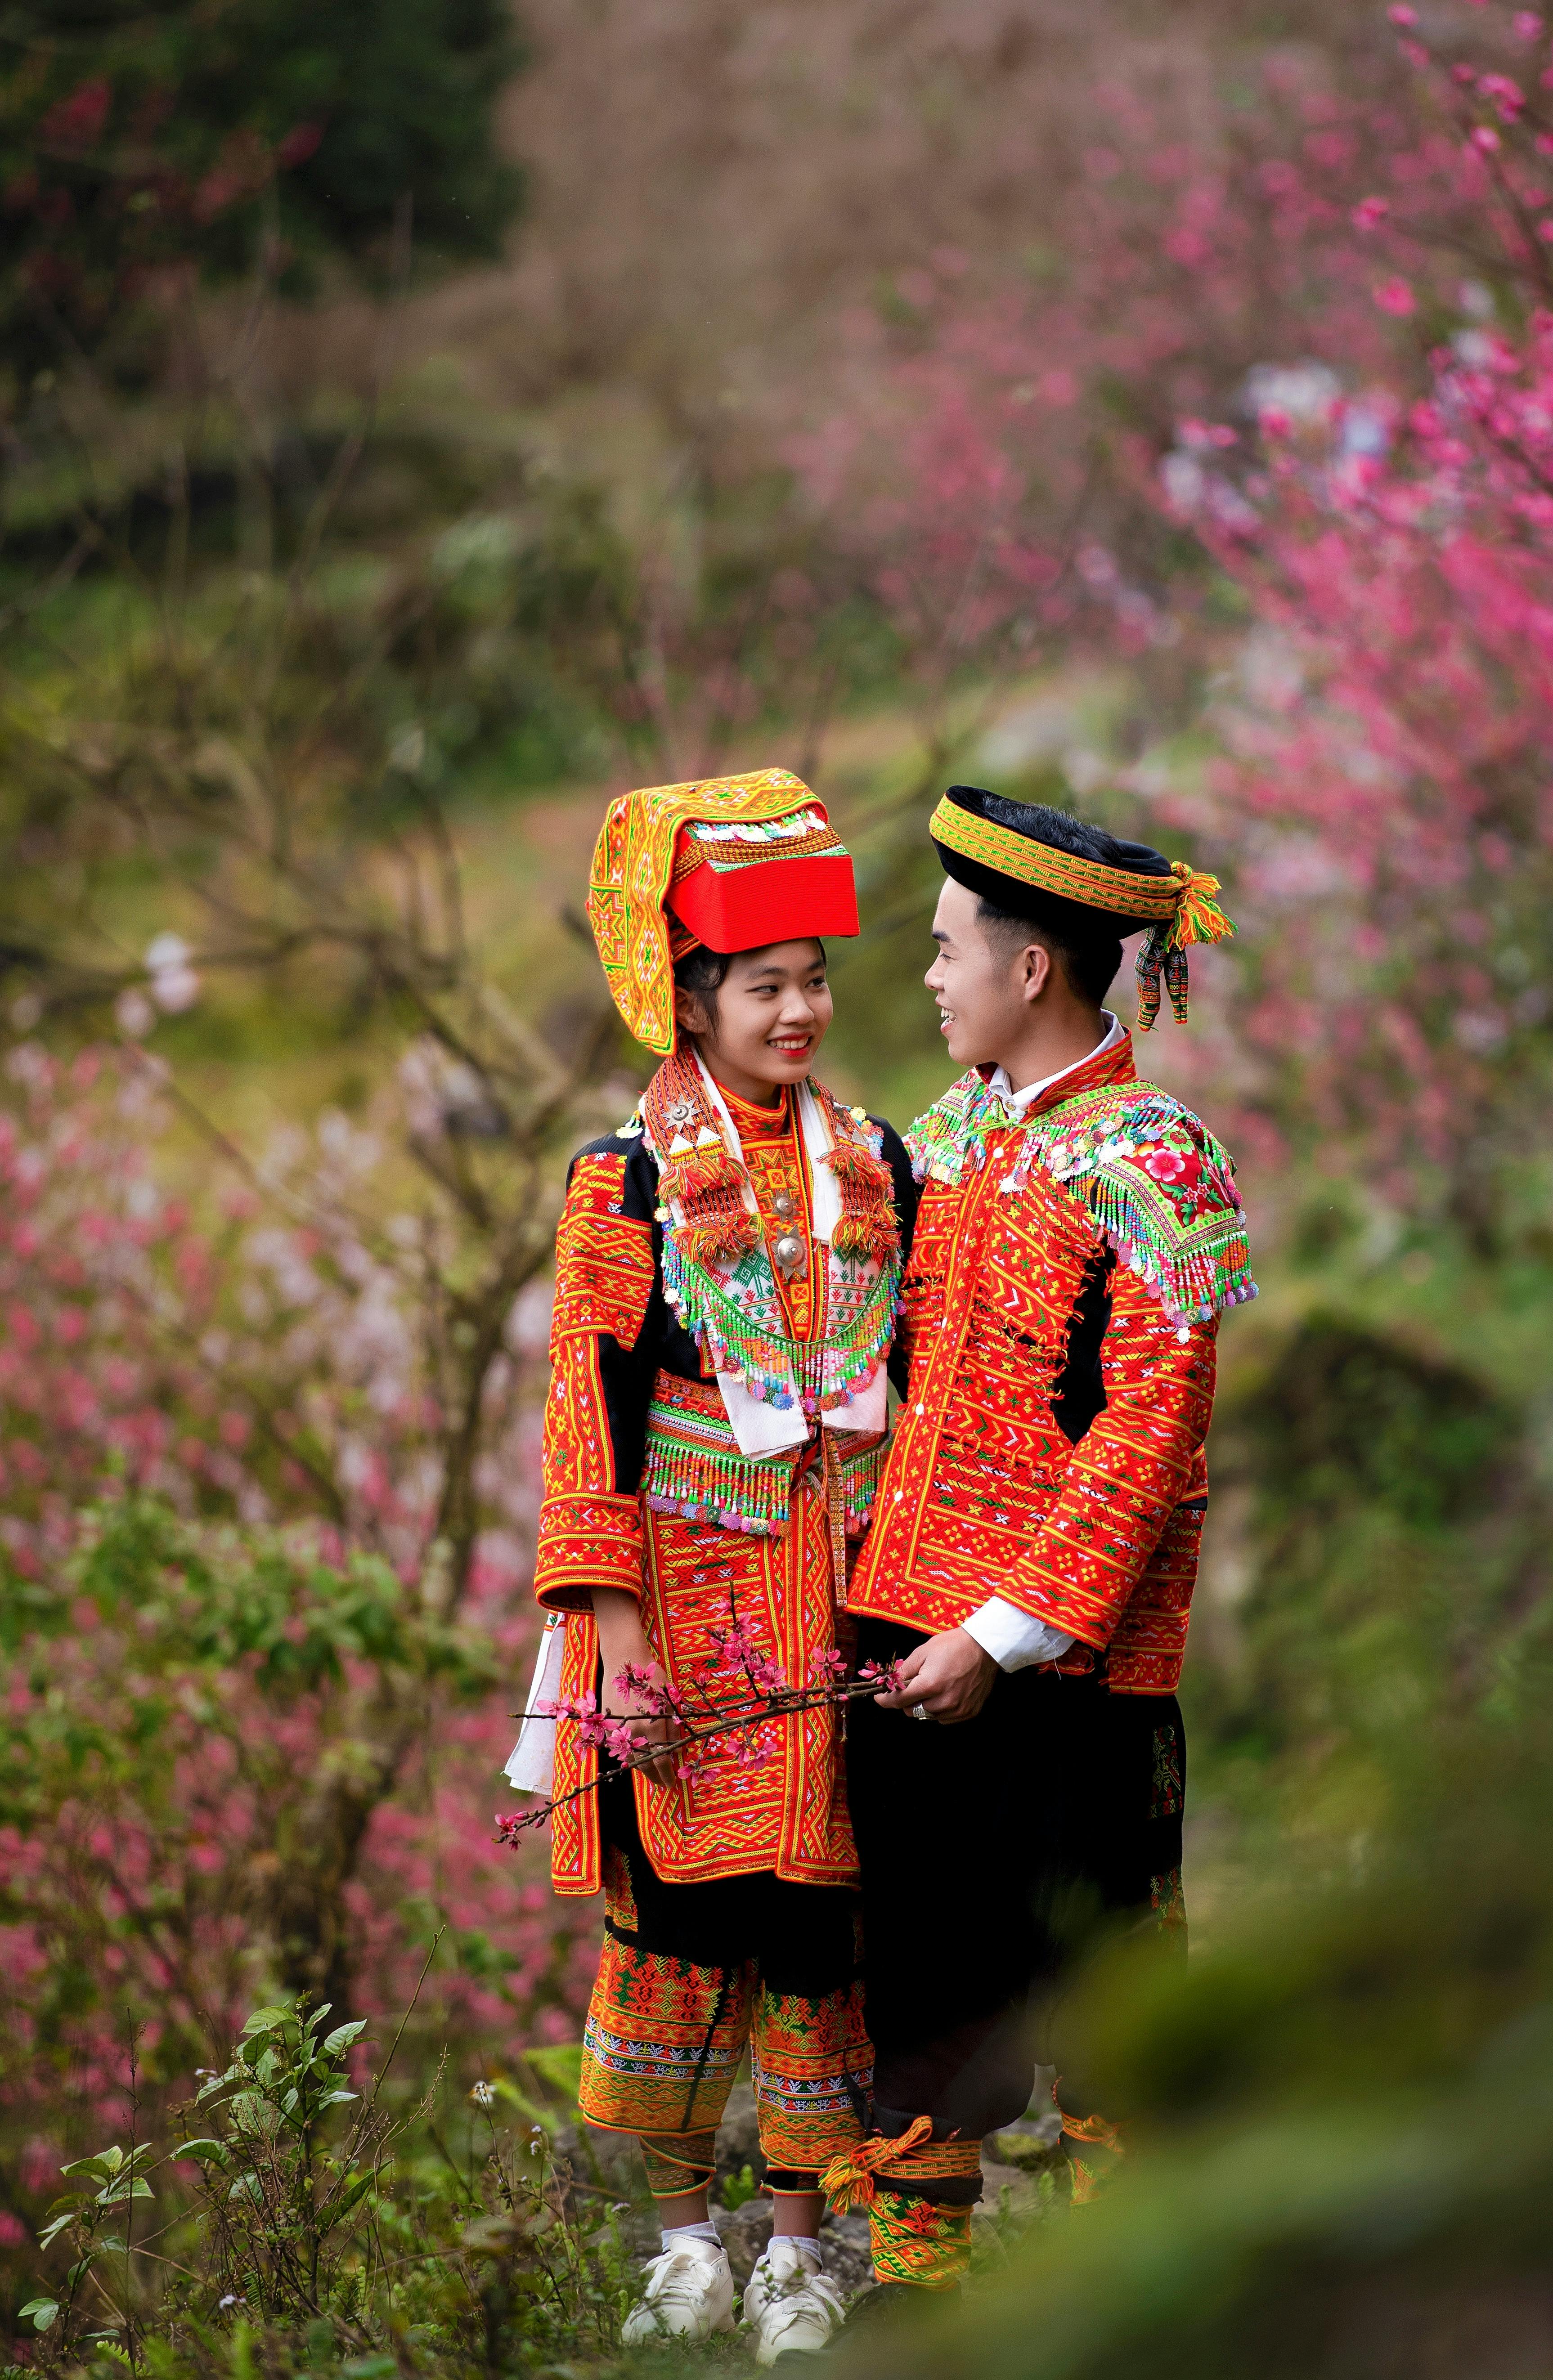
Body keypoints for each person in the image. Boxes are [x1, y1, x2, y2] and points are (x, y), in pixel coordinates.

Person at [503, 766, 916, 2362]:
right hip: (677, 1601)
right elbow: (582, 1420)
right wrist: (620, 1641)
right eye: (767, 984)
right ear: (691, 994)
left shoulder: (878, 1164)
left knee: (821, 1925)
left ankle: (800, 2248)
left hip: (838, 1598)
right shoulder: (624, 1177)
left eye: (816, 980)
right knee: (678, 1920)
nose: (801, 1008)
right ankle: (686, 2240)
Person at [823, 783, 1254, 2301]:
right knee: (926, 1985)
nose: (927, 977)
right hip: (900, 1635)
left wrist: (998, 1634)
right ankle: (919, 2299)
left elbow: (1147, 1440)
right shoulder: (937, 1142)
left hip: (1069, 1677)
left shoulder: (1159, 1160)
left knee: (1102, 1997)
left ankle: (1124, 2300)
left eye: (946, 949)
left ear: (1031, 968)